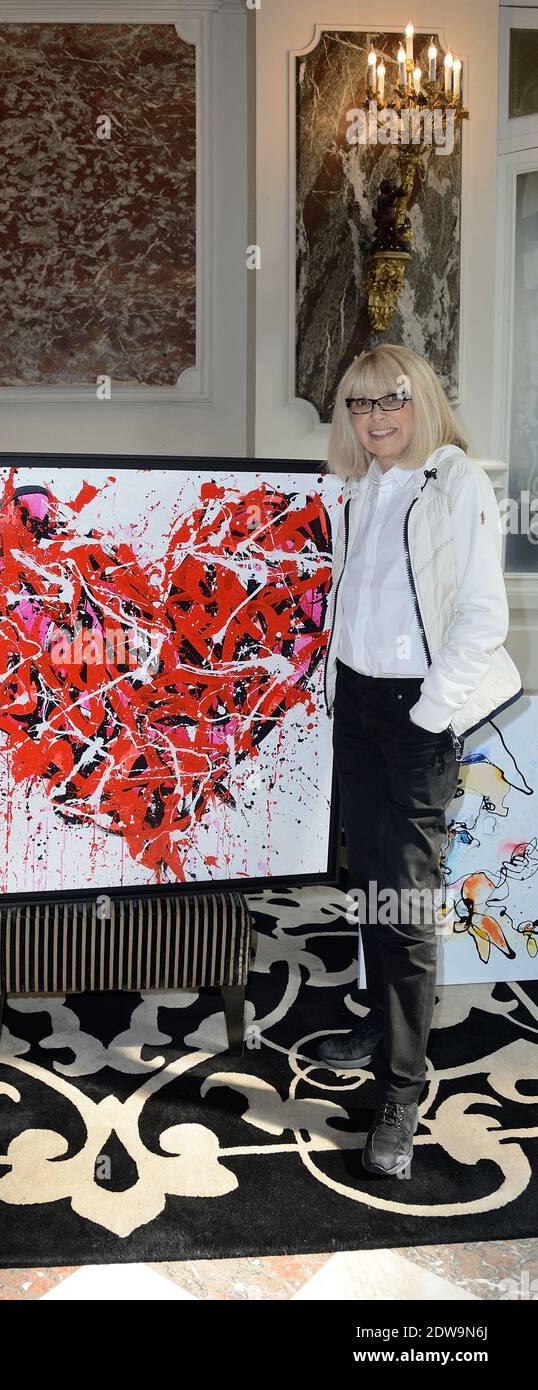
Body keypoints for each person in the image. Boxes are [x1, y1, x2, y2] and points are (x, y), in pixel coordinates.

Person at [319, 343, 523, 1176]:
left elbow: (483, 618)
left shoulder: (459, 482)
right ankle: (380, 1021)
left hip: (416, 717)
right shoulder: (358, 487)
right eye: (362, 405)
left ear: (422, 398)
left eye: (391, 400)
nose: (377, 418)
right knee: (366, 877)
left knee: (404, 906)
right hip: (358, 707)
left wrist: (433, 715)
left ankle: (401, 1096)